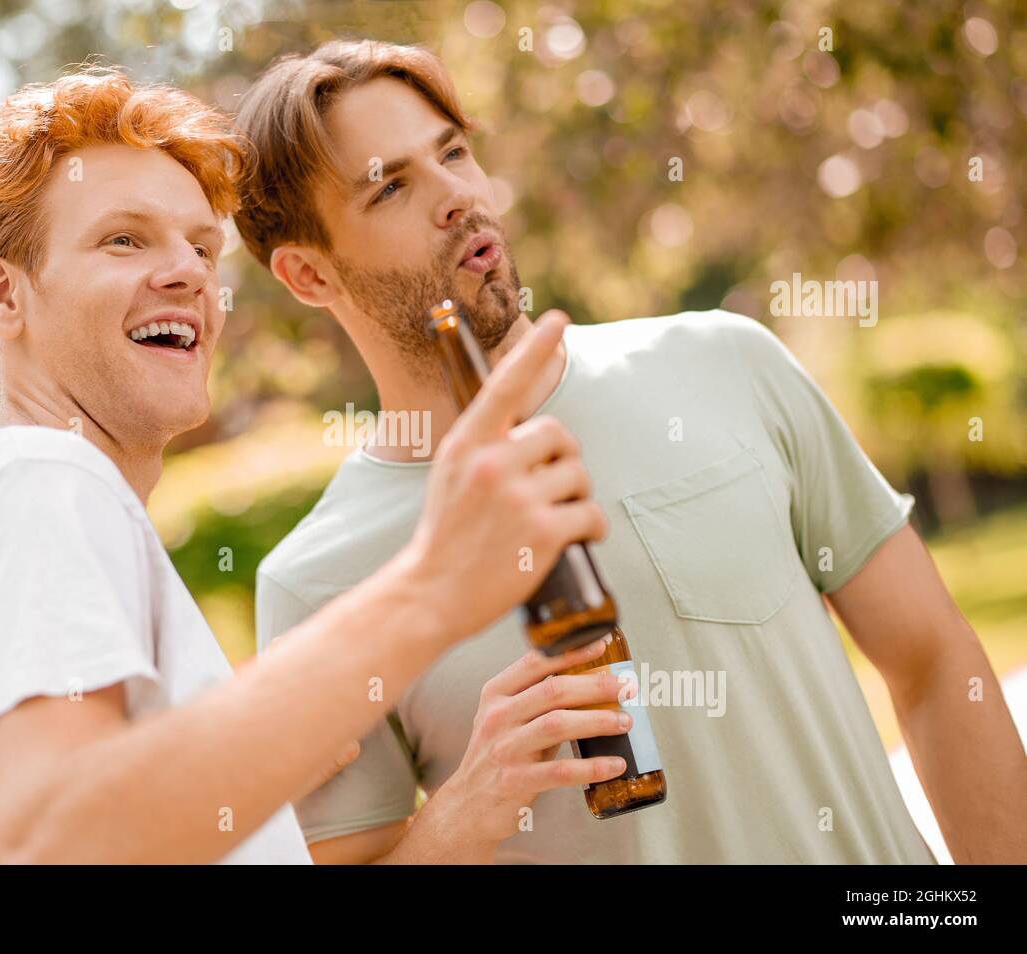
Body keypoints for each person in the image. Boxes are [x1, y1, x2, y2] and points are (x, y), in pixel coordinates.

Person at [236, 39, 1027, 864]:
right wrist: (455, 818)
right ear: (308, 275)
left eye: (455, 153)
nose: (458, 198)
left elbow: (934, 660)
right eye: (391, 186)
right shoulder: (313, 585)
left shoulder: (725, 362)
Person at [0, 64, 620, 864]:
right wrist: (434, 584)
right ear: (2, 297)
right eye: (124, 239)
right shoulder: (37, 479)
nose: (190, 274)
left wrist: (259, 759)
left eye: (203, 248)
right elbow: (52, 842)